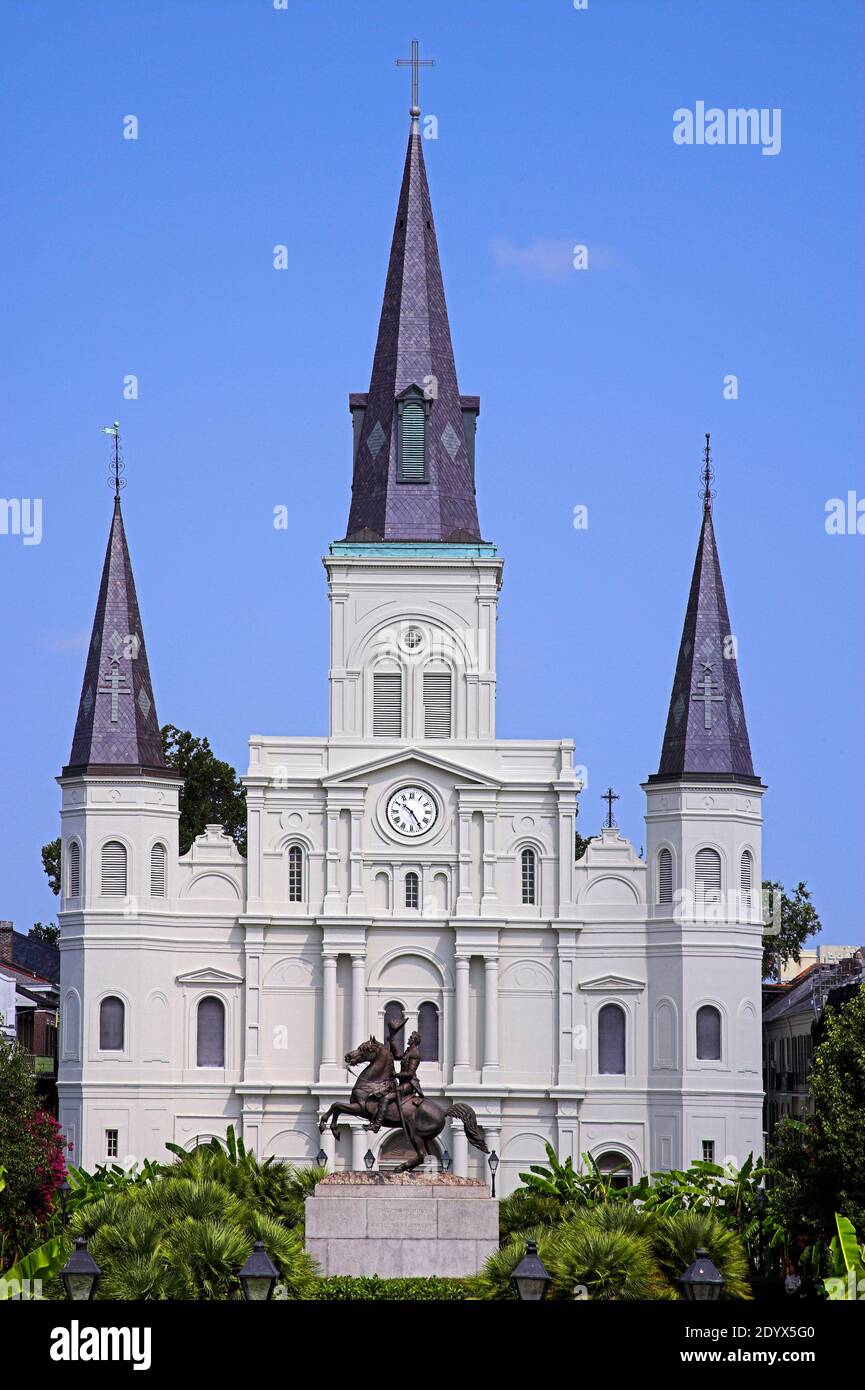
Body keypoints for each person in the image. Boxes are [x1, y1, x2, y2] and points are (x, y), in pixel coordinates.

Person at [368, 1014, 425, 1132]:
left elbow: (410, 1073)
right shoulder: (409, 1051)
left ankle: (377, 1125)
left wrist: (396, 1075)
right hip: (402, 1082)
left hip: (409, 1084)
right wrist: (392, 1040)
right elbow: (397, 1055)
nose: (408, 1039)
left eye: (411, 1038)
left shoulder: (415, 1053)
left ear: (414, 1041)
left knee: (386, 1098)